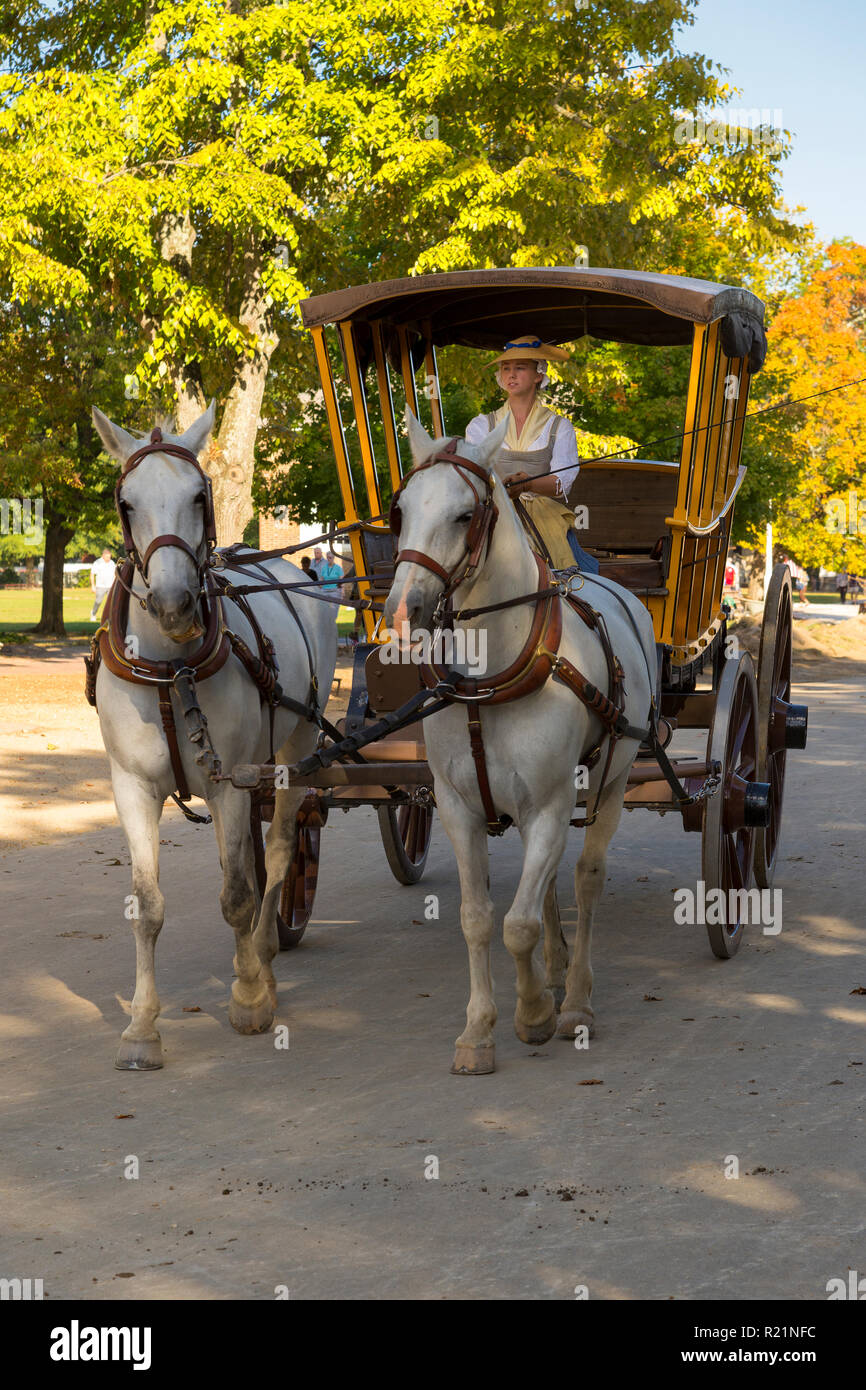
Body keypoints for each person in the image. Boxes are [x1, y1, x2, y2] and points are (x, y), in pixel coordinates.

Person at [464, 334, 599, 573]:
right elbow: (472, 475)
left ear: (539, 374)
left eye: (520, 367)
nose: (511, 374)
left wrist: (526, 485)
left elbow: (561, 484)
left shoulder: (559, 427)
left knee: (574, 575)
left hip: (544, 518)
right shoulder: (481, 426)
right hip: (496, 514)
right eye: (506, 368)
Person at [89, 547, 116, 621]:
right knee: (98, 601)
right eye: (107, 556)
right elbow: (92, 574)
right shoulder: (97, 563)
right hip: (100, 586)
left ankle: (109, 617)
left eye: (109, 556)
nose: (108, 558)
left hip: (110, 586)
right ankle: (93, 613)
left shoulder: (112, 563)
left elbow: (115, 575)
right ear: (103, 555)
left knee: (110, 602)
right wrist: (93, 586)